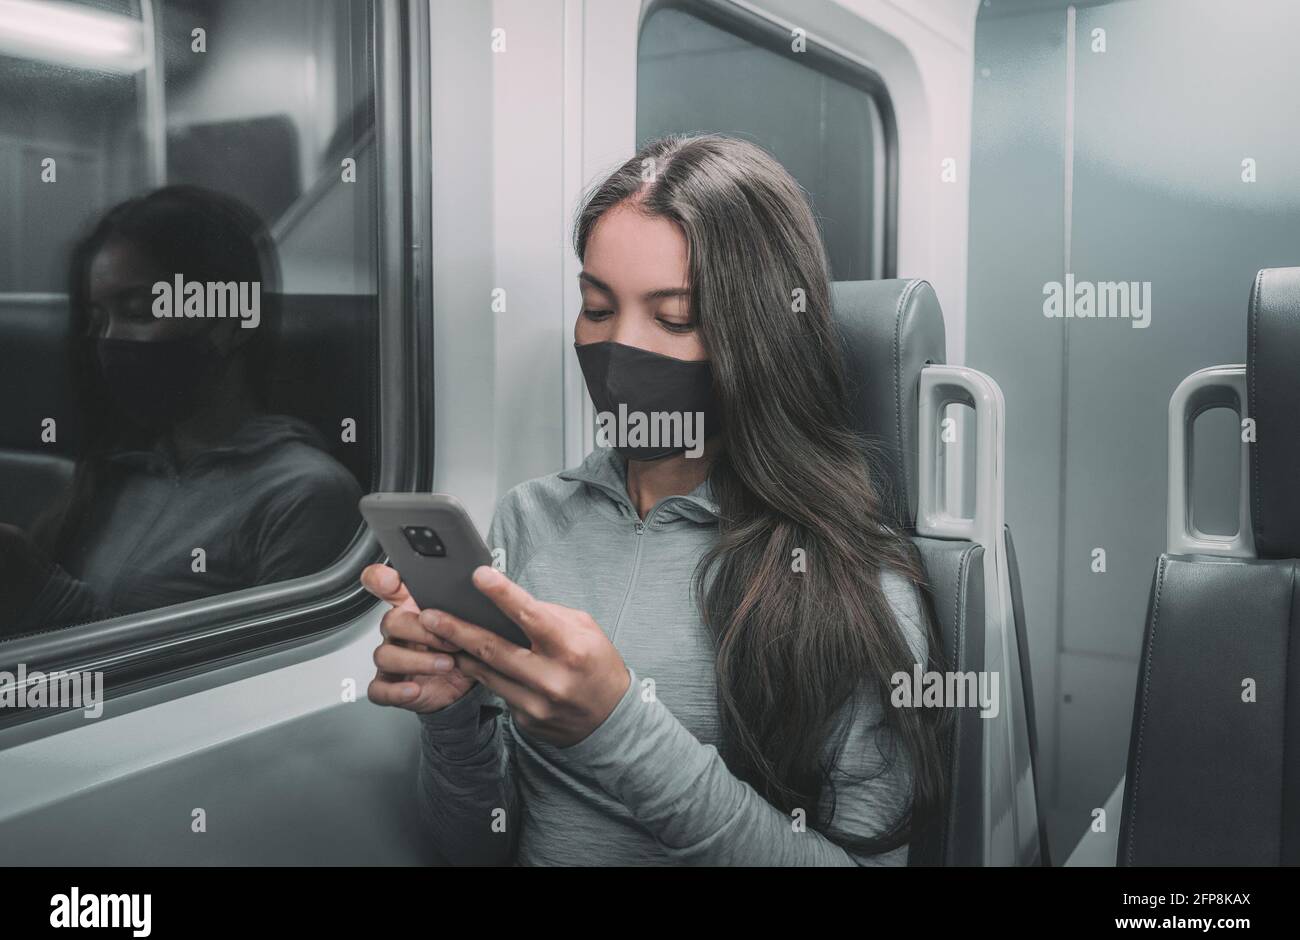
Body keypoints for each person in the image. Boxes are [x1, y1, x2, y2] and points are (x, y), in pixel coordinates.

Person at [363, 134, 949, 865]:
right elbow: (475, 848)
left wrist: (619, 728)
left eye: (672, 318)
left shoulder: (850, 580)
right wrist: (453, 717)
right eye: (598, 308)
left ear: (757, 337)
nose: (619, 353)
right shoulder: (529, 519)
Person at [1, 186, 361, 635]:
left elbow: (261, 685)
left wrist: (42, 595)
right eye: (97, 320)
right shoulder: (119, 471)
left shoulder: (304, 495)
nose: (108, 342)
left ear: (229, 323)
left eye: (139, 309)